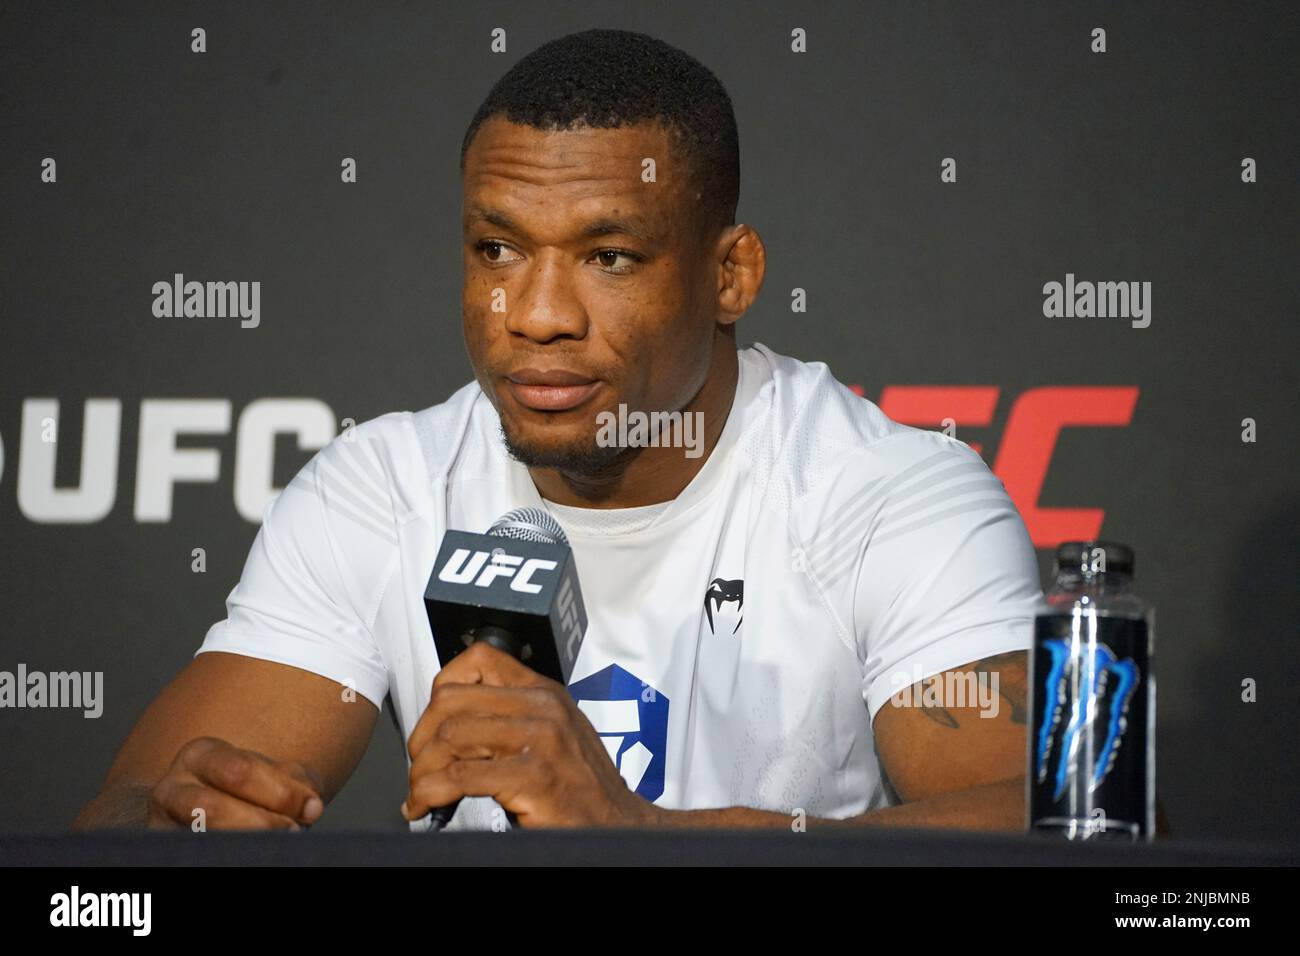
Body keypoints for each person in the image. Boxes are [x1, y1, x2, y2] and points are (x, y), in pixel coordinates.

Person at [75, 28, 1045, 833]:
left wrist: (644, 840)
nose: (535, 314)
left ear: (731, 276)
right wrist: (174, 824)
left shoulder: (883, 494)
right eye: (496, 248)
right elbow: (108, 826)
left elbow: (1078, 830)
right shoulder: (383, 486)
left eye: (608, 255)